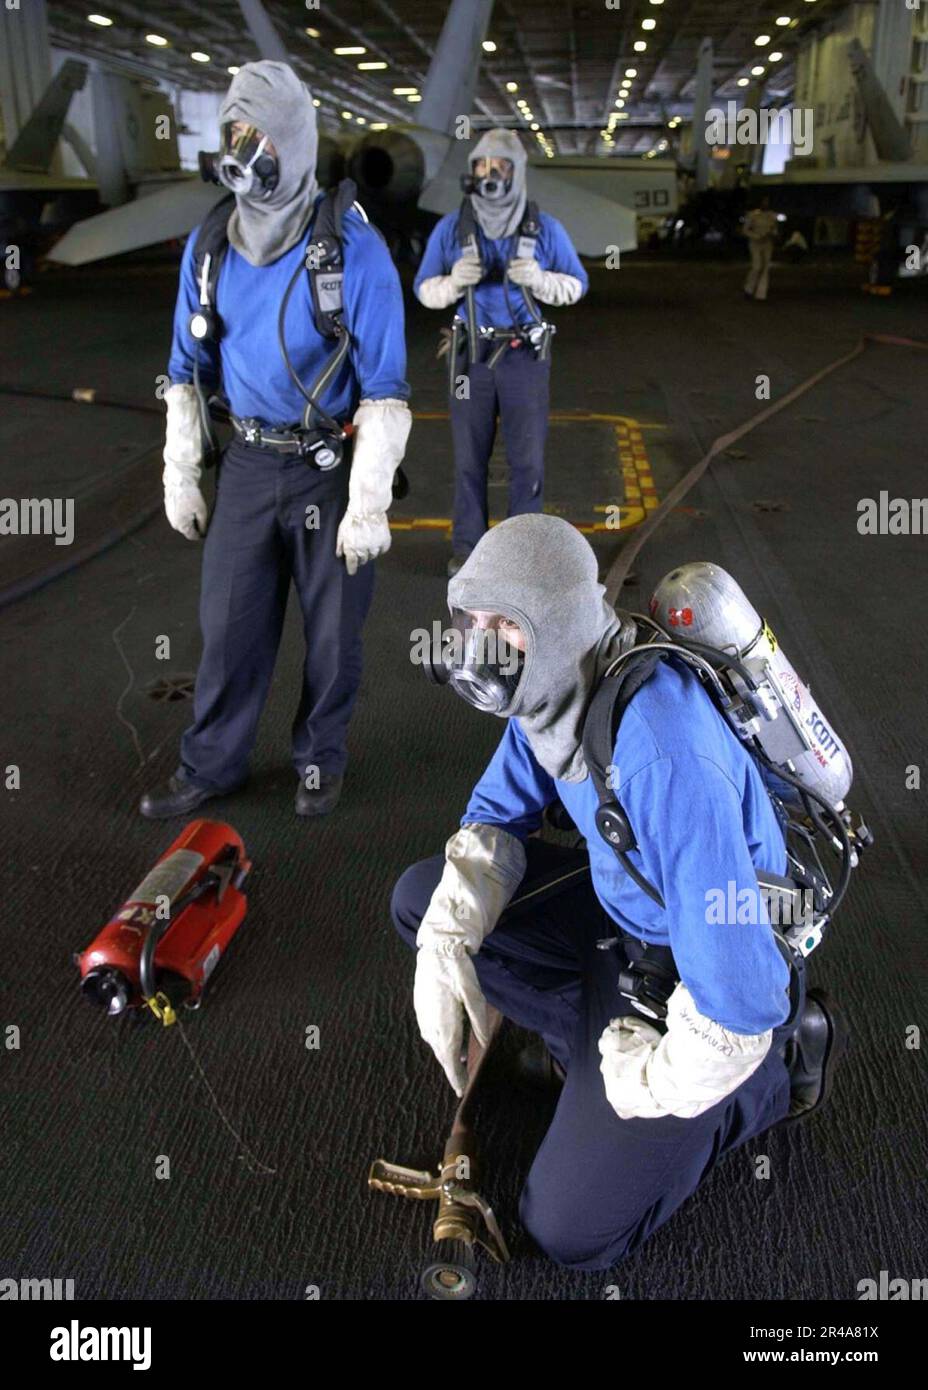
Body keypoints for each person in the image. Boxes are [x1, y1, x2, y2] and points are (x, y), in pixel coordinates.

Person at [391, 514, 847, 1270]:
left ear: (561, 621)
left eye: (505, 623)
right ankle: (587, 1039)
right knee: (424, 900)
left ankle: (774, 1073)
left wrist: (660, 1080)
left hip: (714, 968)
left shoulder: (663, 753)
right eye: (472, 620)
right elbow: (497, 813)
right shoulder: (560, 680)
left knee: (571, 1230)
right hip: (629, 919)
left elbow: (735, 1000)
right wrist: (448, 934)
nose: (479, 643)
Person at [140, 61, 411, 821]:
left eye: (257, 134)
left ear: (293, 141)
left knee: (332, 639)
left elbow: (387, 389)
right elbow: (183, 369)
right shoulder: (210, 247)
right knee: (226, 629)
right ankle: (211, 766)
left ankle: (320, 760)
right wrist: (181, 473)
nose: (243, 148)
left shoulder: (354, 254)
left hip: (330, 470)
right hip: (252, 466)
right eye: (233, 132)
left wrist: (368, 502)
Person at [414, 129, 587, 577]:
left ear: (517, 173)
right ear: (470, 173)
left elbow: (576, 285)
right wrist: (453, 282)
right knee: (468, 459)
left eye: (500, 167)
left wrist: (540, 280)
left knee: (526, 463)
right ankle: (469, 553)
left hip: (523, 356)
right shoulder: (451, 229)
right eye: (481, 167)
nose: (489, 176)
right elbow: (424, 290)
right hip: (470, 355)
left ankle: (522, 555)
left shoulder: (543, 229)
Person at [742, 196, 779, 301]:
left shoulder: (772, 215)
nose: (765, 204)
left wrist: (772, 234)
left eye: (767, 202)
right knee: (757, 266)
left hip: (767, 243)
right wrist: (756, 236)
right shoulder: (752, 215)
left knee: (766, 267)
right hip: (755, 243)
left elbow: (775, 229)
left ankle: (761, 293)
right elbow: (745, 230)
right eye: (764, 201)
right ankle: (749, 288)